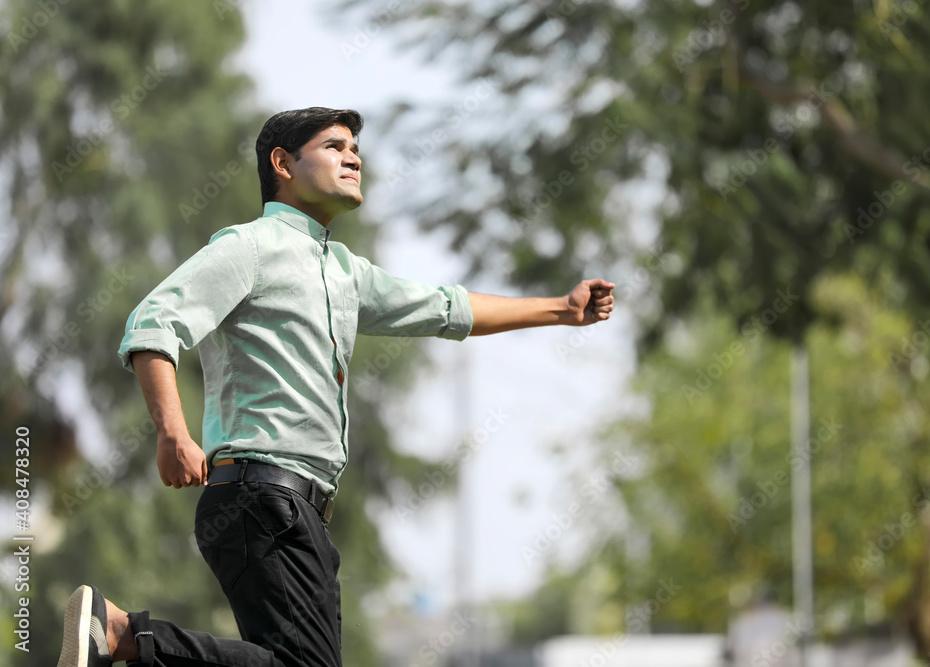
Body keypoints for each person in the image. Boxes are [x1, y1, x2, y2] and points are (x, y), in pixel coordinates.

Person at [57, 107, 615, 667]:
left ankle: (125, 636)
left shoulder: (346, 271)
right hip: (259, 497)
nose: (353, 158)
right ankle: (124, 634)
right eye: (334, 146)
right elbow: (154, 323)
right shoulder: (250, 247)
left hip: (299, 510)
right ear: (283, 164)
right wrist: (173, 433)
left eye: (355, 149)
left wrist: (561, 311)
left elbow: (447, 308)